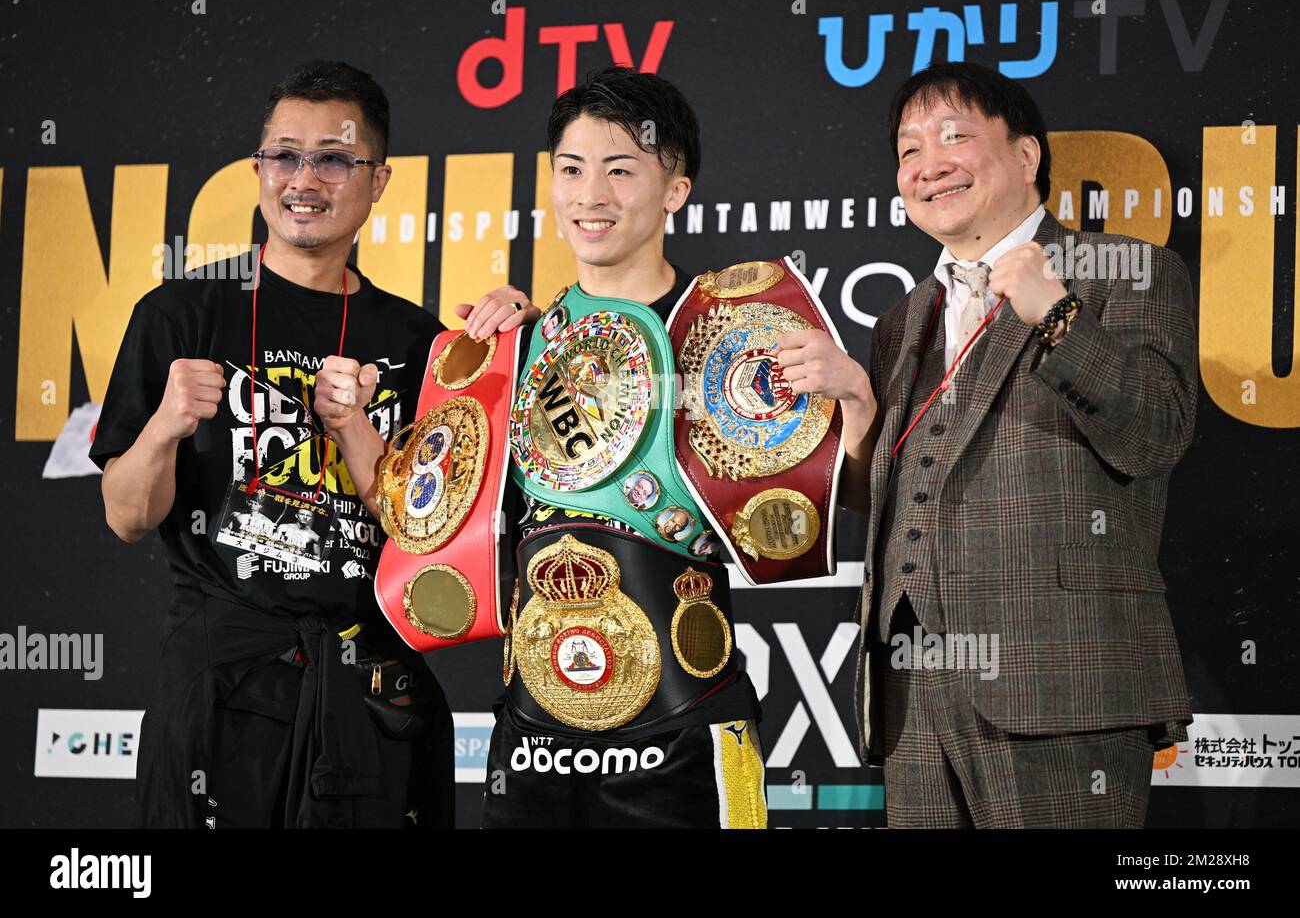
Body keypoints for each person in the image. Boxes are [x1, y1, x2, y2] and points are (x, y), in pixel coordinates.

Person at [785, 60, 1197, 827]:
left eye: (954, 137)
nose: (927, 166)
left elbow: (1155, 434)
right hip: (913, 699)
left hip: (1059, 685)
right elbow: (896, 500)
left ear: (1027, 156)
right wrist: (859, 410)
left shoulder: (1129, 273)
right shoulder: (902, 320)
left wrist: (1058, 316)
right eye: (908, 150)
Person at [93, 59, 496, 828]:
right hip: (221, 690)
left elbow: (427, 532)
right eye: (285, 154)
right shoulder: (181, 314)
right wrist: (165, 426)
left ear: (378, 180)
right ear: (257, 170)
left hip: (366, 692)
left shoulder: (420, 343)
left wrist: (357, 430)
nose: (304, 179)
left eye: (335, 158)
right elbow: (125, 516)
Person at [464, 66, 768, 828]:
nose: (589, 194)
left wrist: (854, 403)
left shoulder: (733, 345)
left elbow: (801, 525)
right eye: (571, 170)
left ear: (675, 189)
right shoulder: (513, 343)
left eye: (620, 169)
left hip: (684, 732)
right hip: (532, 742)